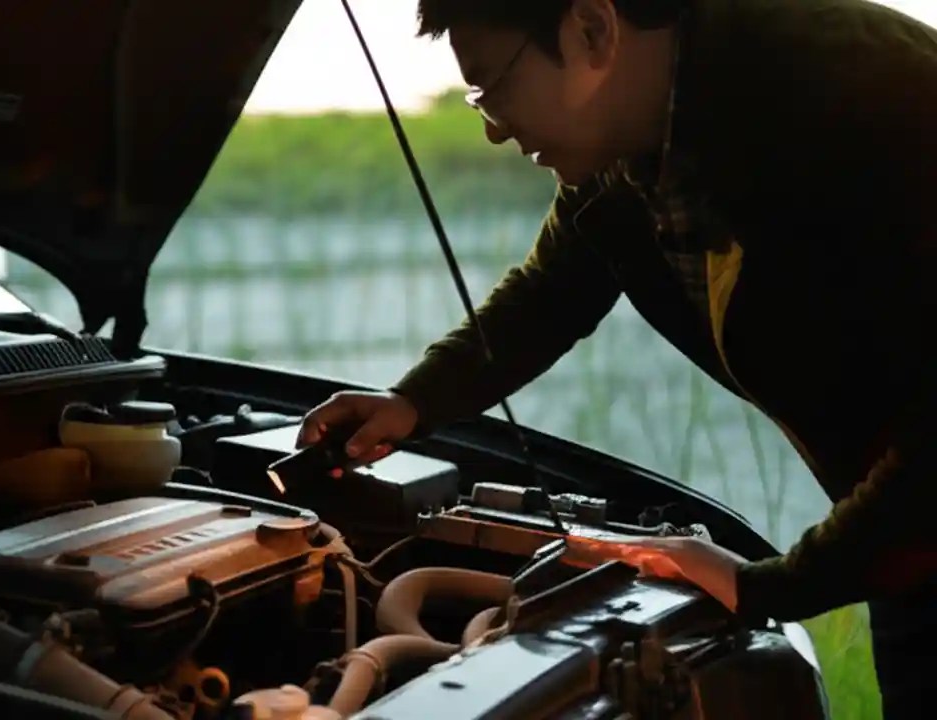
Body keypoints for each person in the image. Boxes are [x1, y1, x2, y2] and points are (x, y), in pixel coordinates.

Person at [297, 0, 937, 715]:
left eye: (493, 87)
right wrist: (413, 402)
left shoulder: (872, 99)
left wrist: (771, 588)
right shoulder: (636, 141)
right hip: (904, 541)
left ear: (594, 29)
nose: (492, 127)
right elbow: (554, 289)